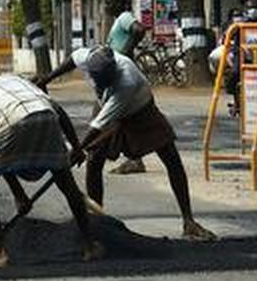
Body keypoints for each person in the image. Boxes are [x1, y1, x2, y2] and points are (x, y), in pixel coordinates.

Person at [39, 46, 216, 241]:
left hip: (140, 109)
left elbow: (98, 126)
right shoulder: (88, 58)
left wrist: (77, 149)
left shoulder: (127, 81)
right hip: (105, 104)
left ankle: (189, 222)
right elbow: (72, 59)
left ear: (113, 72)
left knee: (170, 157)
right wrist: (46, 78)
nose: (99, 82)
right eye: (96, 78)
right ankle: (96, 222)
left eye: (105, 79)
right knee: (94, 159)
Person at [0, 73, 101, 268]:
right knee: (65, 180)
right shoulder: (14, 80)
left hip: (14, 118)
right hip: (47, 116)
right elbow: (59, 111)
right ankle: (89, 245)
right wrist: (76, 148)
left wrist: (19, 195)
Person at [102, 0, 148, 175]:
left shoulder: (124, 17)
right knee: (125, 117)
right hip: (119, 74)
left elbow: (139, 29)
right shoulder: (117, 21)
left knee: (115, 115)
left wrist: (124, 52)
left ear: (120, 4)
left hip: (124, 74)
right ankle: (132, 157)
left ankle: (123, 155)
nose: (106, 6)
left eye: (109, 2)